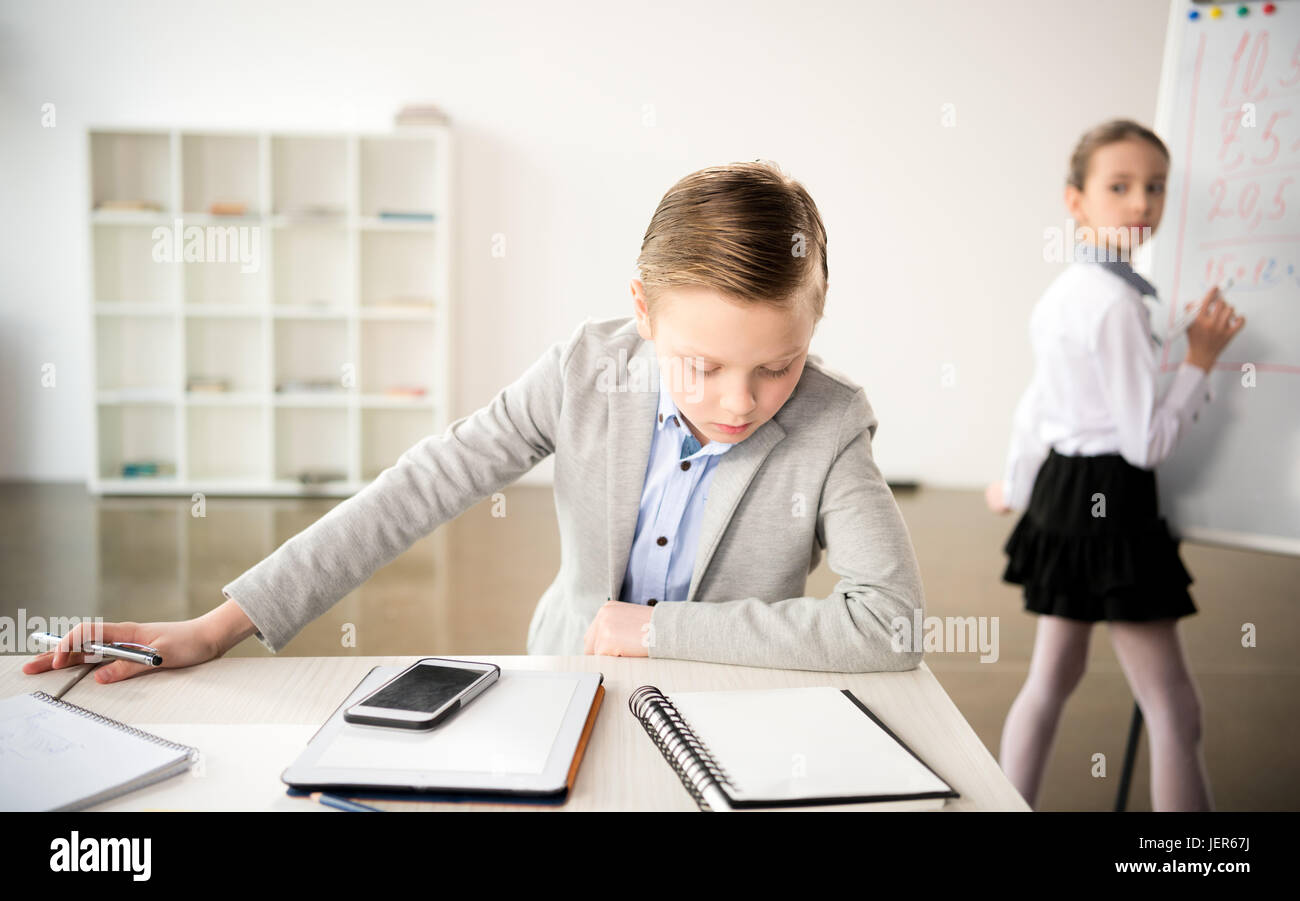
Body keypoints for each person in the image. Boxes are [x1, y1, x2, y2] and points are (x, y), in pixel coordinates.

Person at [27, 160, 926, 681]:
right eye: (701, 365)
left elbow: (889, 623)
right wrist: (216, 624)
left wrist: (657, 631)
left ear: (817, 320)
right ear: (643, 312)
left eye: (778, 364)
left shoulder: (831, 423)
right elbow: (419, 487)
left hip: (732, 704)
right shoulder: (583, 371)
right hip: (564, 681)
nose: (740, 401)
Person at [987, 120, 1245, 810]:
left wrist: (1015, 481)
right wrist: (1199, 361)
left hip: (1063, 491)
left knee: (1050, 678)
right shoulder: (1117, 304)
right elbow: (1144, 445)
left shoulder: (1065, 292)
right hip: (1112, 497)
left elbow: (1036, 405)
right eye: (1120, 186)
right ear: (1077, 201)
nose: (1142, 204)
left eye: (1154, 188)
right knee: (1173, 707)